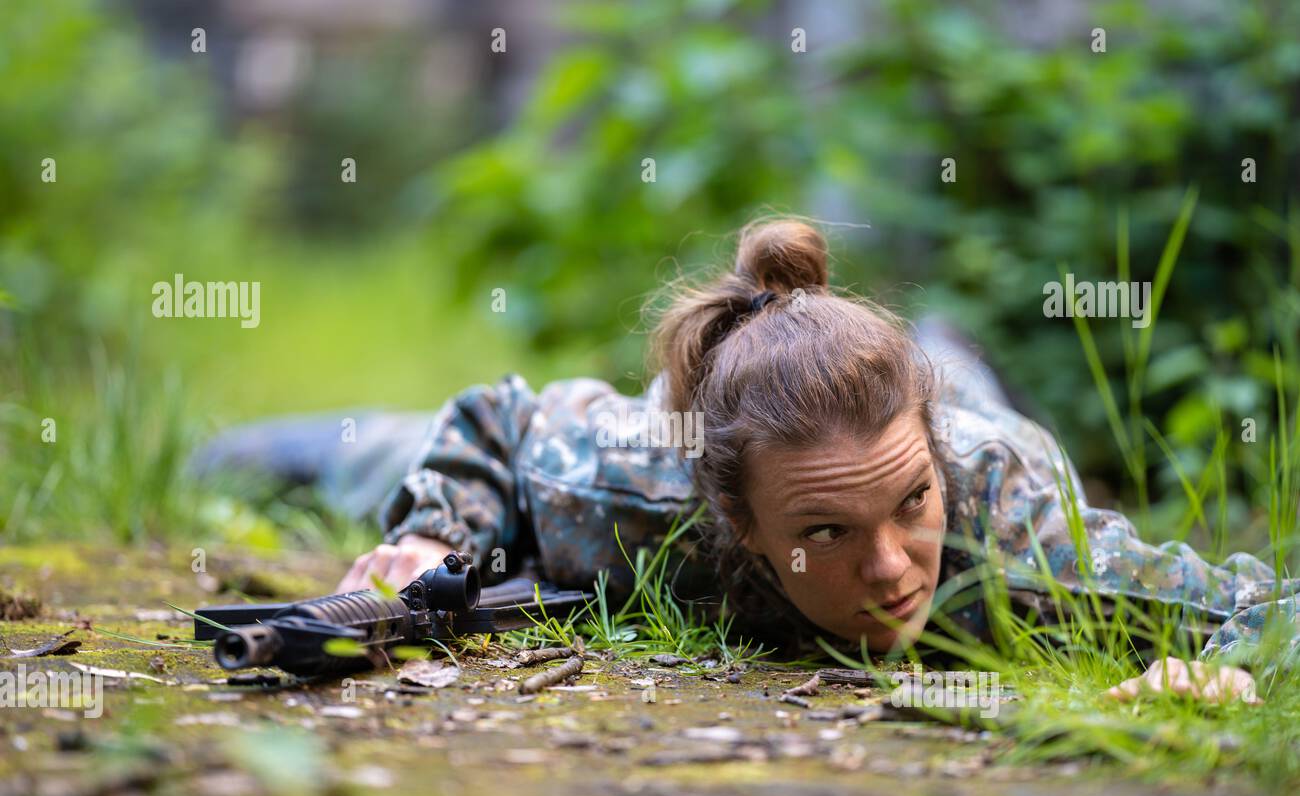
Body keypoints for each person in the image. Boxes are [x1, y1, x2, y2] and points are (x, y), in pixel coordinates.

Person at [206, 218, 1297, 704]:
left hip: (962, 405)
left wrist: (1227, 665)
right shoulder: (635, 482)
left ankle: (946, 351)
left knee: (959, 381)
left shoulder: (1016, 539)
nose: (890, 571)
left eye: (906, 507)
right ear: (735, 522)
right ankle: (212, 441)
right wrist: (435, 528)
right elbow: (495, 417)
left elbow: (1270, 606)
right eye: (826, 531)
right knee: (354, 451)